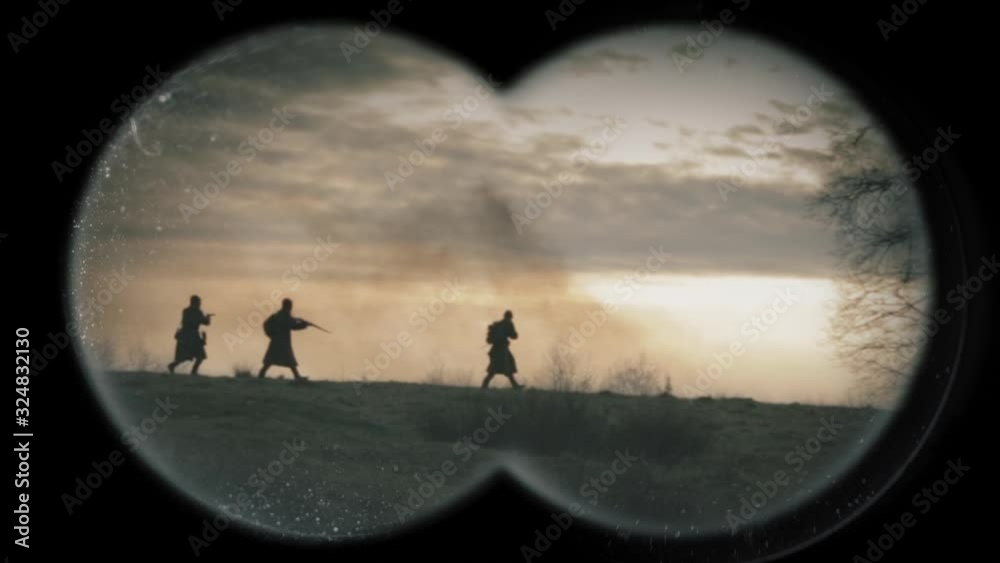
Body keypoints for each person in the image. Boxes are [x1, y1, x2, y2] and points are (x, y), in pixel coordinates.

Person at [259, 298, 309, 381]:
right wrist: (304, 325)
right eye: (290, 306)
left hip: (277, 341)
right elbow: (293, 325)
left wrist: (303, 324)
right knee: (288, 360)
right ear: (287, 306)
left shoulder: (279, 315)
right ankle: (297, 377)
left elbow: (291, 324)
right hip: (282, 342)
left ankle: (261, 375)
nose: (291, 307)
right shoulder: (284, 316)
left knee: (271, 360)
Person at [167, 295, 213, 375]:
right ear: (193, 303)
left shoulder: (197, 312)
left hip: (194, 336)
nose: (199, 304)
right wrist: (204, 318)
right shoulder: (187, 311)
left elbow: (206, 323)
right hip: (186, 337)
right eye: (198, 303)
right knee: (183, 357)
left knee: (200, 356)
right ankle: (172, 366)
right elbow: (195, 321)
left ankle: (193, 372)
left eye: (199, 303)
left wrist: (208, 317)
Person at [482, 310, 523, 389]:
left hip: (496, 349)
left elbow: (490, 339)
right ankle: (484, 385)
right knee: (503, 367)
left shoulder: (497, 325)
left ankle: (514, 385)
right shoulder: (508, 324)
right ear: (510, 317)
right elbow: (514, 336)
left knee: (501, 367)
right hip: (502, 349)